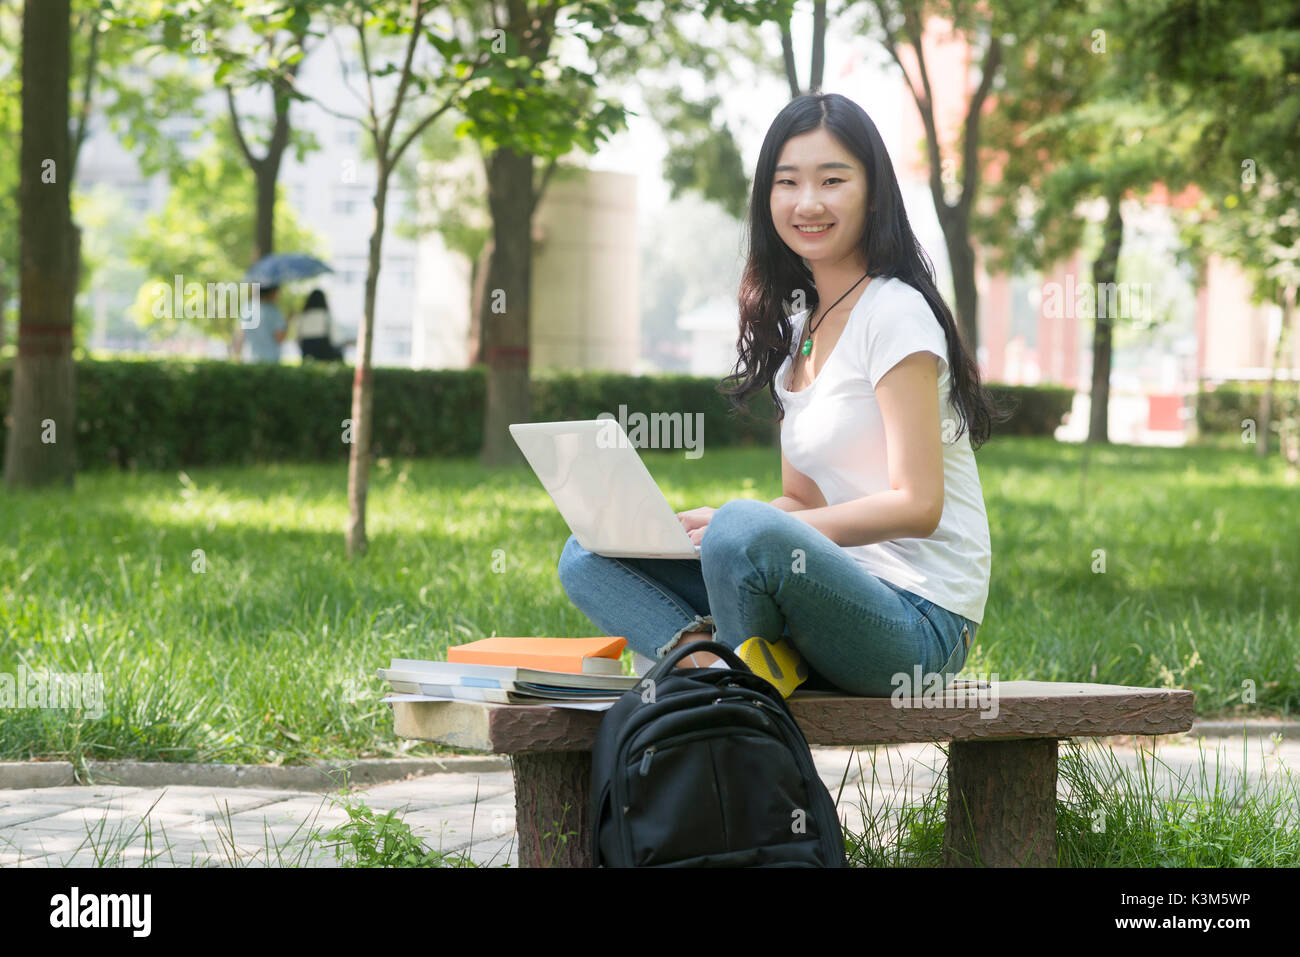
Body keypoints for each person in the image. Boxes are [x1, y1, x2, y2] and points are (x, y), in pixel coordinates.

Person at [557, 92, 1013, 699]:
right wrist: (725, 526)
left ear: (873, 193)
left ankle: (737, 698)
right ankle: (715, 672)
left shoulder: (895, 313)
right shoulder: (801, 330)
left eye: (832, 181)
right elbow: (798, 501)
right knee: (589, 553)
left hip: (916, 623)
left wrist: (746, 529)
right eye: (788, 182)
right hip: (827, 596)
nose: (808, 203)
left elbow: (918, 504)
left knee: (745, 524)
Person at [296, 288, 350, 361]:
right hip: (323, 351)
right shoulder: (325, 315)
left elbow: (298, 338)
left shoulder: (303, 316)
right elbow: (335, 337)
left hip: (307, 351)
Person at [243, 284, 288, 363]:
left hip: (249, 358)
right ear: (272, 292)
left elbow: (240, 334)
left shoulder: (247, 307)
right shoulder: (273, 310)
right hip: (270, 359)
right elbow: (279, 337)